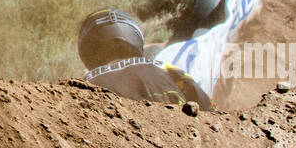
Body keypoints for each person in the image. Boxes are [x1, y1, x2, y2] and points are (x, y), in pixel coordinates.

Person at [77, 8, 210, 108]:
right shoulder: (163, 68)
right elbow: (208, 109)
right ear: (134, 36)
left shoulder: (85, 84)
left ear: (88, 48)